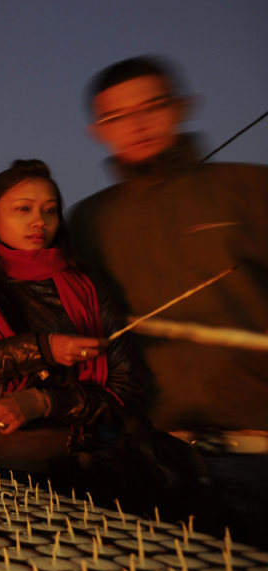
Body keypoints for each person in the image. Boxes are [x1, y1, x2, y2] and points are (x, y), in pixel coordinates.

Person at [69, 56, 268, 541]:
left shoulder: (248, 189)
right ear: (98, 130)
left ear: (182, 107)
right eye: (117, 117)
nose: (137, 126)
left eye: (152, 107)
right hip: (161, 460)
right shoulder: (91, 221)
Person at [0, 161, 150, 491]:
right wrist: (44, 347)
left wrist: (43, 402)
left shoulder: (88, 288)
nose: (39, 221)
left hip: (64, 469)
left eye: (50, 210)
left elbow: (125, 389)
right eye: (23, 209)